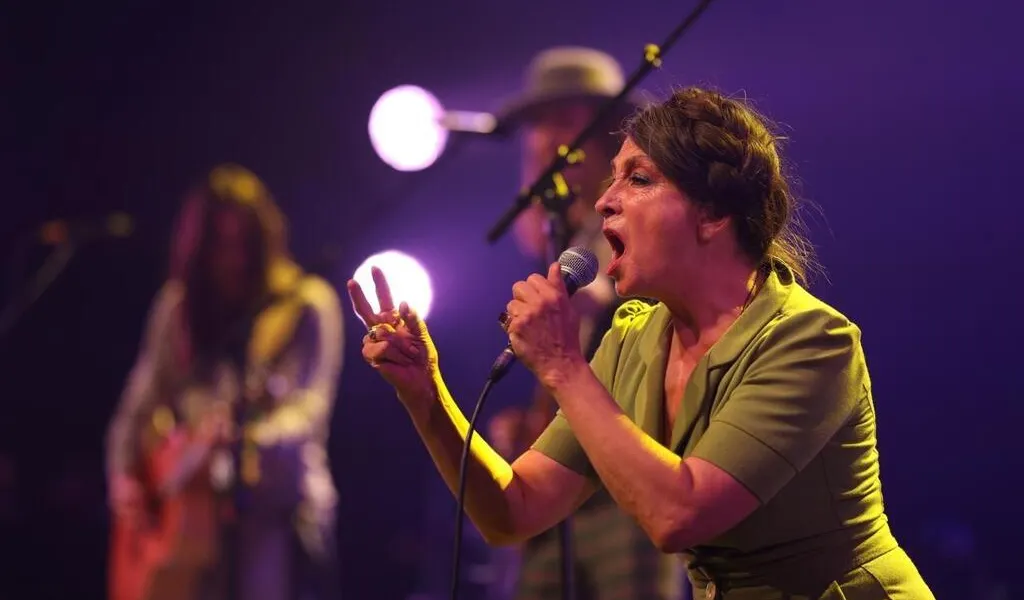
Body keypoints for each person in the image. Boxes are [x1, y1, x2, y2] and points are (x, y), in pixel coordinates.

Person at [349, 86, 935, 599]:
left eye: (638, 179)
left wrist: (560, 365)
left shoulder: (810, 342)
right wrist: (427, 395)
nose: (604, 199)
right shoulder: (635, 341)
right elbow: (513, 510)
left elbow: (679, 514)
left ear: (710, 215)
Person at [486, 46, 682, 599]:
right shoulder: (566, 240)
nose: (549, 140)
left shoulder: (636, 226)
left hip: (629, 484)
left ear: (606, 135)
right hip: (564, 486)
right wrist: (531, 429)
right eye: (541, 126)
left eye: (565, 123)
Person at [106, 164, 343, 600]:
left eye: (243, 245)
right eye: (219, 245)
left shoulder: (306, 305)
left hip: (277, 516)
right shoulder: (177, 308)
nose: (232, 260)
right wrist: (125, 480)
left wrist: (241, 438)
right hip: (187, 528)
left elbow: (307, 412)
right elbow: (136, 407)